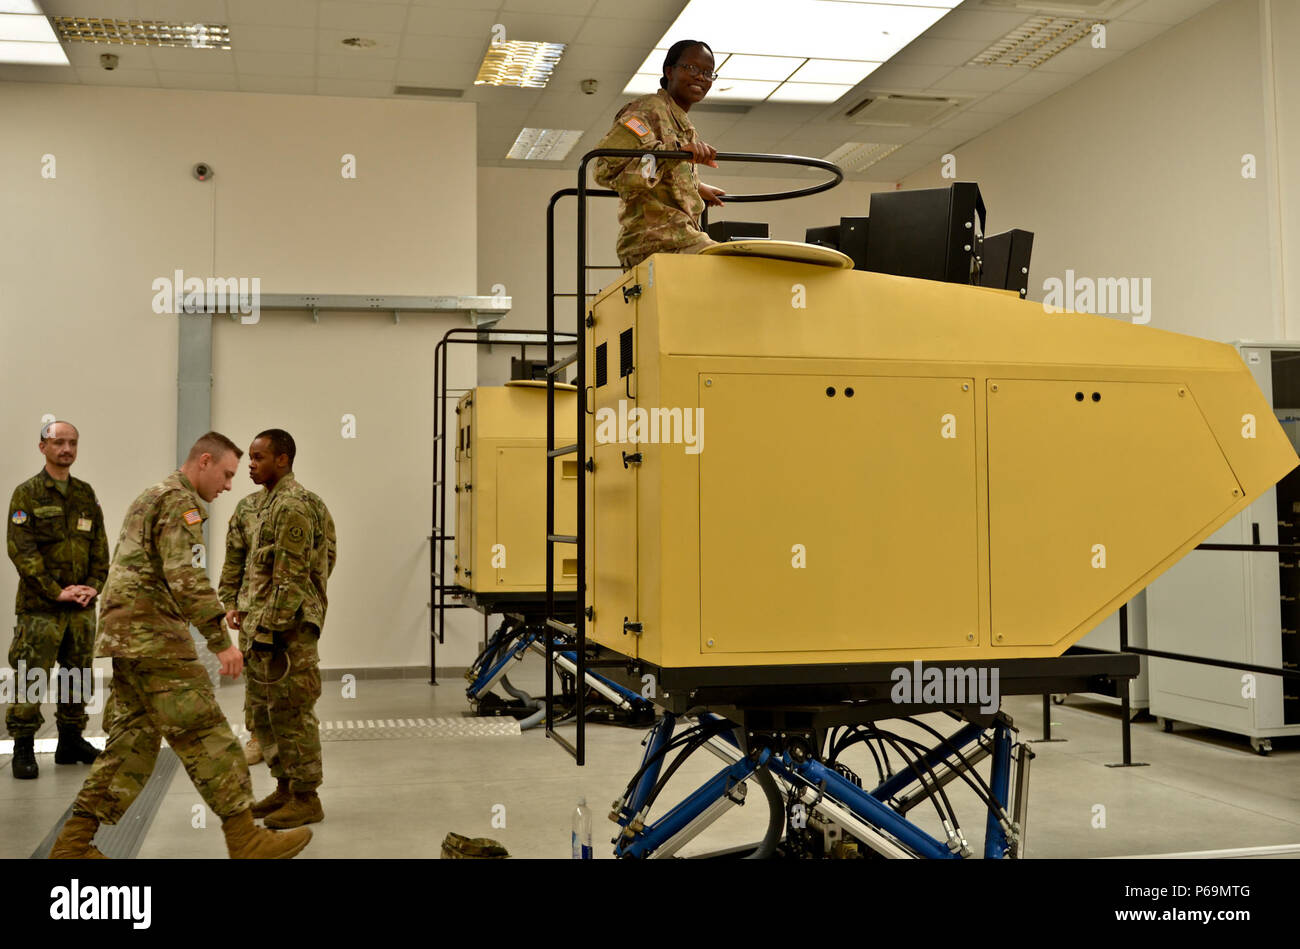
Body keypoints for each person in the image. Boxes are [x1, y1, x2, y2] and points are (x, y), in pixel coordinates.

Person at [49, 432, 312, 859]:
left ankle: (73, 843)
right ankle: (245, 839)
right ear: (203, 461)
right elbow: (185, 577)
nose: (228, 485)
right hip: (155, 640)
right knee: (207, 733)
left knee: (132, 744)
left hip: (128, 638)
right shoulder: (180, 503)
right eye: (226, 474)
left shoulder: (152, 495)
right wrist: (220, 642)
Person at [222, 429, 334, 829]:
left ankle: (307, 796)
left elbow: (296, 577)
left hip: (287, 634)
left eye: (258, 457)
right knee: (264, 713)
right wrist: (231, 602)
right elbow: (235, 557)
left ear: (282, 460)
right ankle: (285, 787)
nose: (249, 464)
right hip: (257, 629)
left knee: (293, 713)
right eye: (249, 457)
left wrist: (271, 628)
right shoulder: (251, 507)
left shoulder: (297, 506)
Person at [6, 421, 109, 779]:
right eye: (59, 442)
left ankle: (70, 740)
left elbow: (100, 547)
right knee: (31, 676)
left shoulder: (85, 493)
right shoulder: (27, 494)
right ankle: (23, 747)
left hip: (81, 607)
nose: (66, 449)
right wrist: (56, 590)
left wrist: (93, 585)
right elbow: (21, 549)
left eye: (72, 443)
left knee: (77, 675)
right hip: (41, 607)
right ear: (42, 447)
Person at [594, 39, 727, 270]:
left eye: (708, 73)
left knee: (745, 259)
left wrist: (695, 185)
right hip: (655, 240)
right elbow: (606, 168)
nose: (700, 77)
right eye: (692, 68)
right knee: (738, 268)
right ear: (670, 71)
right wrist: (674, 154)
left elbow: (654, 167)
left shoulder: (684, 125)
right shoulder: (647, 109)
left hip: (681, 237)